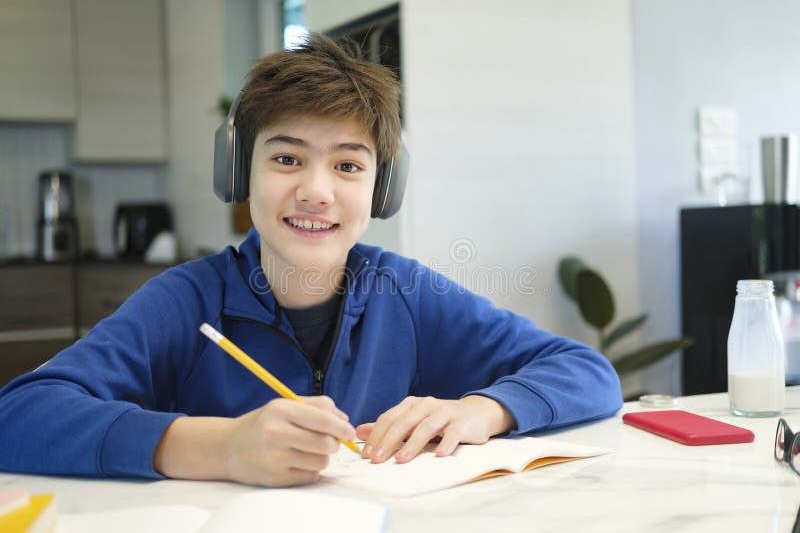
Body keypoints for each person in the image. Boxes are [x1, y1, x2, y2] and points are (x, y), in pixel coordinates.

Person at [0, 33, 622, 487]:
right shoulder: (186, 301)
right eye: (288, 158)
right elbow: (19, 416)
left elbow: (587, 371)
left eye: (348, 165)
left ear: (382, 190)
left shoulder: (404, 292)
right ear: (240, 170)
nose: (317, 191)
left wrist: (482, 409)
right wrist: (218, 447)